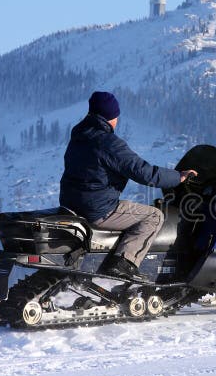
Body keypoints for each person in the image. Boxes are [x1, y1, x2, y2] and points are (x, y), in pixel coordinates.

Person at [59, 91, 196, 279]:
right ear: (110, 117)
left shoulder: (79, 136)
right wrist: (177, 177)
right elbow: (143, 172)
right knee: (154, 216)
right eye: (116, 116)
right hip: (97, 209)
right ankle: (124, 264)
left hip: (72, 204)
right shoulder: (108, 143)